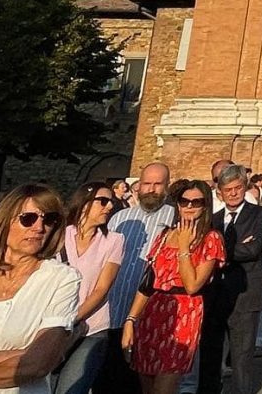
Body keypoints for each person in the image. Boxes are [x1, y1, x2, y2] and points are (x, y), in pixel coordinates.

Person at [122, 180, 224, 393]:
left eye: (196, 202)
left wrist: (185, 247)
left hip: (183, 314)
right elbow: (148, 282)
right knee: (147, 385)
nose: (189, 206)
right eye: (184, 201)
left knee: (164, 387)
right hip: (152, 310)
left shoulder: (210, 238)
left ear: (205, 205)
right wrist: (131, 320)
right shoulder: (164, 235)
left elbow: (192, 285)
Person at [0, 184, 80, 394]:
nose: (39, 227)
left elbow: (37, 364)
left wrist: (29, 358)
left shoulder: (61, 280)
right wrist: (18, 354)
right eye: (28, 218)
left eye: (49, 219)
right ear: (4, 222)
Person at [96, 161, 174, 394]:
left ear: (167, 186)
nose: (150, 189)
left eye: (157, 184)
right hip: (113, 308)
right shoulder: (119, 218)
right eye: (146, 183)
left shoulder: (175, 219)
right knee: (106, 378)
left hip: (148, 314)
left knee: (139, 382)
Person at [198, 164, 262, 394]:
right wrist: (236, 247)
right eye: (228, 189)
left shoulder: (259, 213)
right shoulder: (213, 219)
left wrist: (218, 251)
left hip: (245, 296)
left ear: (244, 187)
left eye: (238, 188)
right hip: (214, 295)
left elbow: (254, 250)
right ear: (220, 192)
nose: (233, 193)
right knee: (210, 355)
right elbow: (203, 253)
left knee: (241, 360)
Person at [55, 181, 125, 394]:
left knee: (71, 390)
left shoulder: (114, 240)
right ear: (84, 203)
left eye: (111, 202)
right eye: (103, 201)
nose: (109, 207)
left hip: (91, 327)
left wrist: (73, 319)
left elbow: (101, 289)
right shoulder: (60, 235)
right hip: (53, 327)